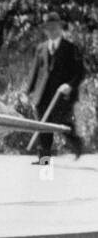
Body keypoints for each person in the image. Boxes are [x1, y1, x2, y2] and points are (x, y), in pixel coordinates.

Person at [24, 12, 85, 163]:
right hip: (42, 94)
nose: (52, 31)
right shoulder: (41, 48)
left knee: (62, 123)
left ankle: (77, 144)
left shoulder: (70, 48)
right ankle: (45, 161)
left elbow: (80, 72)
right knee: (44, 127)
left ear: (60, 28)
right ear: (45, 30)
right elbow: (34, 72)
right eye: (48, 28)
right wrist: (28, 92)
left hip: (62, 95)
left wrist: (70, 86)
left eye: (55, 28)